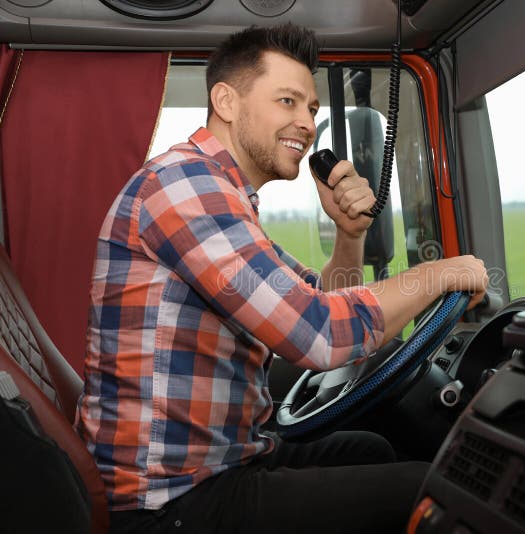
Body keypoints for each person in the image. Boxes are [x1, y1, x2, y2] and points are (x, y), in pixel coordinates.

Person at [75, 23, 488, 533]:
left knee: (372, 449)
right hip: (170, 501)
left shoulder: (224, 199)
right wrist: (440, 273)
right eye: (287, 101)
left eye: (311, 109)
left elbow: (320, 302)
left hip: (223, 463)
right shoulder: (184, 187)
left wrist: (350, 234)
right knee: (425, 491)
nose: (307, 124)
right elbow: (319, 335)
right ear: (226, 101)